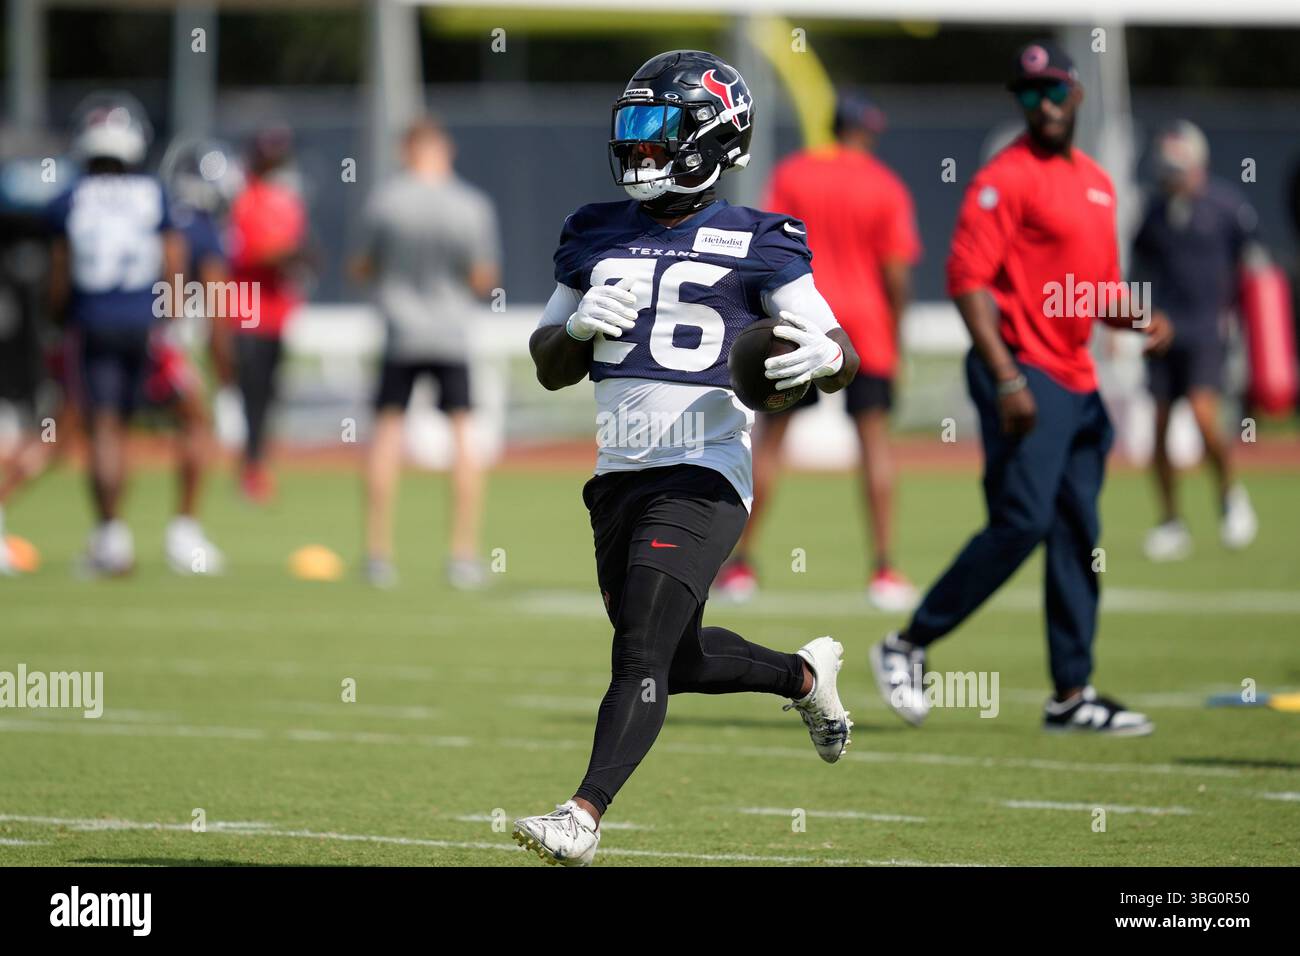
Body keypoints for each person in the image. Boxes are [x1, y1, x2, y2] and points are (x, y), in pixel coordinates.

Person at [513, 50, 860, 866]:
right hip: (619, 476)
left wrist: (823, 363)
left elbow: (840, 348)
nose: (637, 147)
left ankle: (583, 815)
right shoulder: (593, 230)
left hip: (704, 472)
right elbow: (547, 363)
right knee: (676, 657)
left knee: (637, 649)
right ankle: (803, 679)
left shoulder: (761, 239)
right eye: (631, 128)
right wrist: (578, 327)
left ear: (710, 136)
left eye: (656, 130)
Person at [868, 41, 1173, 735]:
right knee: (1023, 522)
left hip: (1076, 377)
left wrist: (1140, 315)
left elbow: (1092, 289)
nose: (1044, 104)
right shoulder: (1003, 179)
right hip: (1021, 369)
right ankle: (906, 644)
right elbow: (966, 278)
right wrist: (1006, 377)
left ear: (1077, 96)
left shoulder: (1096, 181)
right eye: (1030, 94)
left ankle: (1072, 694)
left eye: (1055, 90)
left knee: (1076, 530)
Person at [715, 91, 922, 610]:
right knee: (874, 444)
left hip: (800, 319)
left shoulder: (794, 173)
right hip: (866, 330)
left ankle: (740, 566)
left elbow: (768, 250)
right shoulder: (887, 184)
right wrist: (897, 344)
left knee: (770, 442)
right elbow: (896, 275)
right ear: (868, 132)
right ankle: (884, 569)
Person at [350, 118, 501, 590]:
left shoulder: (386, 202)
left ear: (406, 150)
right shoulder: (471, 205)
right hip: (451, 334)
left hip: (400, 332)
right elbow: (483, 279)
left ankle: (378, 554)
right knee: (462, 437)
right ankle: (463, 554)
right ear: (445, 150)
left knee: (388, 435)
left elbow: (360, 268)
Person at [46, 93, 188, 575]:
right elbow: (173, 262)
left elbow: (60, 270)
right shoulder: (153, 192)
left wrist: (58, 317)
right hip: (141, 321)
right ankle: (123, 535)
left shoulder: (72, 195)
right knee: (124, 427)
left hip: (95, 319)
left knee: (102, 428)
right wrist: (170, 318)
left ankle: (111, 535)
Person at [1132, 121, 1258, 561]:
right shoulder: (1153, 211)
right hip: (1163, 334)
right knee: (1160, 428)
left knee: (1206, 419)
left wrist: (1245, 325)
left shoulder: (1225, 208)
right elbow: (1139, 270)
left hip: (1206, 330)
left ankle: (1228, 495)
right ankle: (1170, 522)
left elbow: (1248, 270)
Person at [227, 125, 307, 503]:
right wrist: (283, 254)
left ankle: (256, 466)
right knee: (248, 395)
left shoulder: (287, 200)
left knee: (267, 396)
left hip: (276, 312)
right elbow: (243, 253)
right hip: (245, 309)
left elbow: (294, 249)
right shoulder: (240, 198)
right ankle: (247, 468)